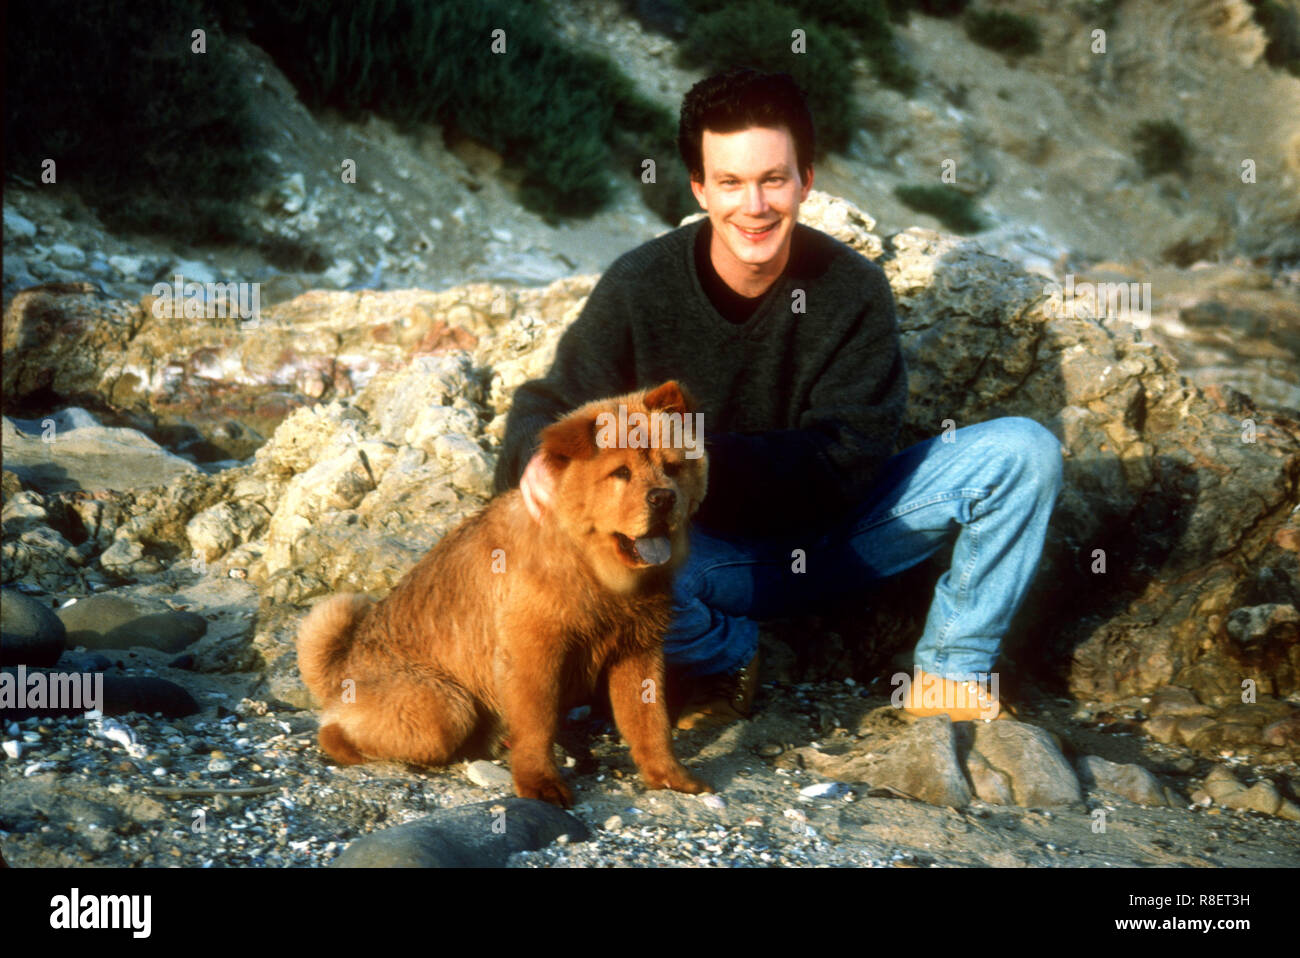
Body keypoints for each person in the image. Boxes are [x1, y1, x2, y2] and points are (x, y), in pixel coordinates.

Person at [493, 67, 1063, 728]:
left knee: (1024, 452)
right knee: (593, 569)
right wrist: (539, 456)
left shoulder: (853, 289)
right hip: (699, 560)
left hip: (851, 537)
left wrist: (697, 459)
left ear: (805, 182)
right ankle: (730, 652)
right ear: (700, 188)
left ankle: (950, 674)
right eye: (731, 182)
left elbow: (849, 458)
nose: (755, 205)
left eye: (773, 179)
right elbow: (549, 401)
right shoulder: (639, 286)